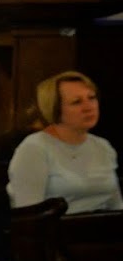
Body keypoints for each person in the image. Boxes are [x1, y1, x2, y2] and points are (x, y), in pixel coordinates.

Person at [7, 70, 121, 213]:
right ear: (55, 109)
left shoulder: (102, 146)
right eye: (76, 102)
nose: (88, 107)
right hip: (54, 232)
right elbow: (29, 214)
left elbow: (116, 205)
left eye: (91, 98)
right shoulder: (34, 148)